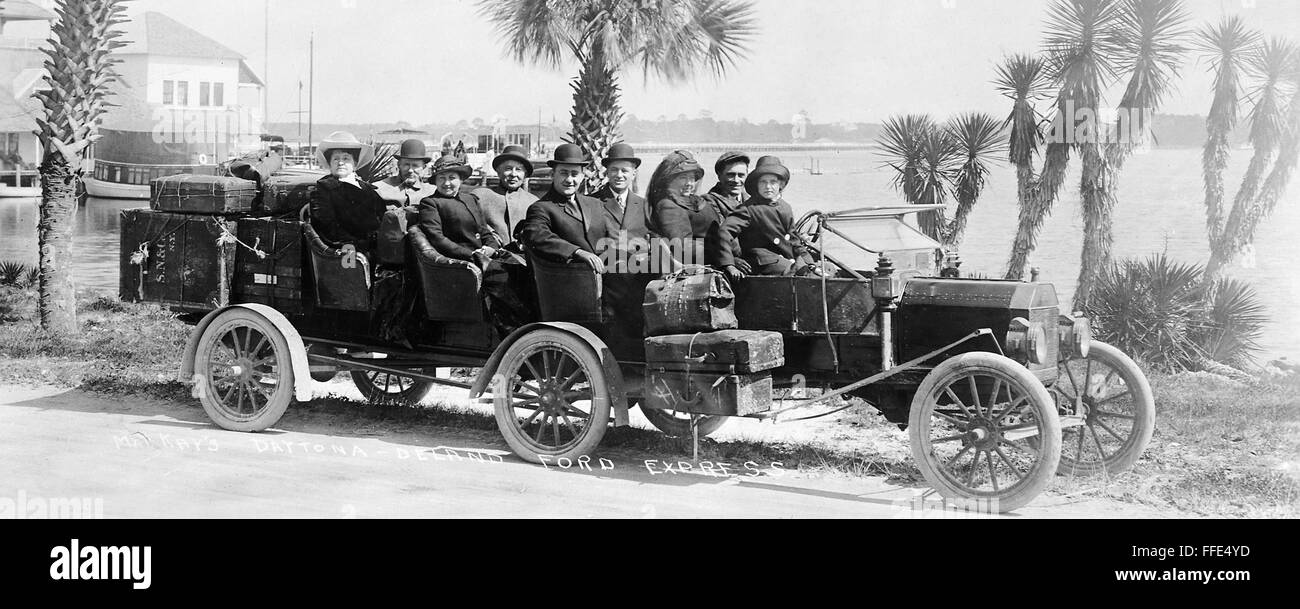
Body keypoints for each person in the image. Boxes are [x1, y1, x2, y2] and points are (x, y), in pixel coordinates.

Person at [707, 156, 815, 282]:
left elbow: (793, 240)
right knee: (796, 272)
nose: (768, 187)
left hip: (783, 258)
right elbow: (724, 232)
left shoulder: (785, 207)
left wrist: (809, 261)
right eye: (763, 182)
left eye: (773, 182)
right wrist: (729, 264)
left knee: (822, 270)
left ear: (781, 184)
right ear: (756, 185)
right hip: (761, 262)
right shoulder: (749, 208)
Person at [516, 143, 607, 273]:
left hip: (602, 278)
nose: (569, 180)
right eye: (564, 173)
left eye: (574, 174)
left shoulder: (595, 204)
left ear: (582, 177)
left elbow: (610, 236)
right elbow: (538, 236)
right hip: (566, 280)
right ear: (552, 174)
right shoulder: (541, 208)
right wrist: (577, 252)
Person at [308, 131, 387, 254]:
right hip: (343, 250)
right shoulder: (323, 189)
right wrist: (354, 244)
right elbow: (327, 226)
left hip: (374, 248)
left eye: (346, 158)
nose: (340, 162)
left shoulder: (367, 189)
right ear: (330, 164)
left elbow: (381, 216)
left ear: (355, 164)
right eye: (336, 159)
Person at [417, 155, 501, 266]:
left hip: (483, 257)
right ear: (436, 181)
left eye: (452, 178)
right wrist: (471, 254)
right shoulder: (430, 203)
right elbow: (437, 239)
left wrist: (492, 247)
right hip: (458, 262)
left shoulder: (471, 199)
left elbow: (484, 231)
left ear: (461, 180)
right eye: (441, 178)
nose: (447, 183)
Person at [647, 150, 714, 266]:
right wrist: (723, 253)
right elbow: (683, 247)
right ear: (669, 180)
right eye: (683, 178)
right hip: (699, 268)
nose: (689, 183)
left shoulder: (695, 201)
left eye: (692, 178)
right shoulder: (669, 206)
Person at [475, 144, 539, 247]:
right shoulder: (480, 196)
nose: (513, 174)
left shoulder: (533, 202)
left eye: (518, 170)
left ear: (525, 175)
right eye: (508, 168)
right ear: (499, 172)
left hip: (523, 260)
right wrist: (488, 233)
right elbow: (467, 220)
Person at [374, 139, 438, 207]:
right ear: (399, 165)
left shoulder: (432, 192)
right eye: (406, 164)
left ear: (424, 167)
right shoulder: (379, 189)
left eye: (415, 166)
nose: (410, 170)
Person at [701, 151, 750, 219]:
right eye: (731, 175)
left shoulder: (750, 199)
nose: (736, 180)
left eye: (741, 175)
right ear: (719, 176)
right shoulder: (709, 201)